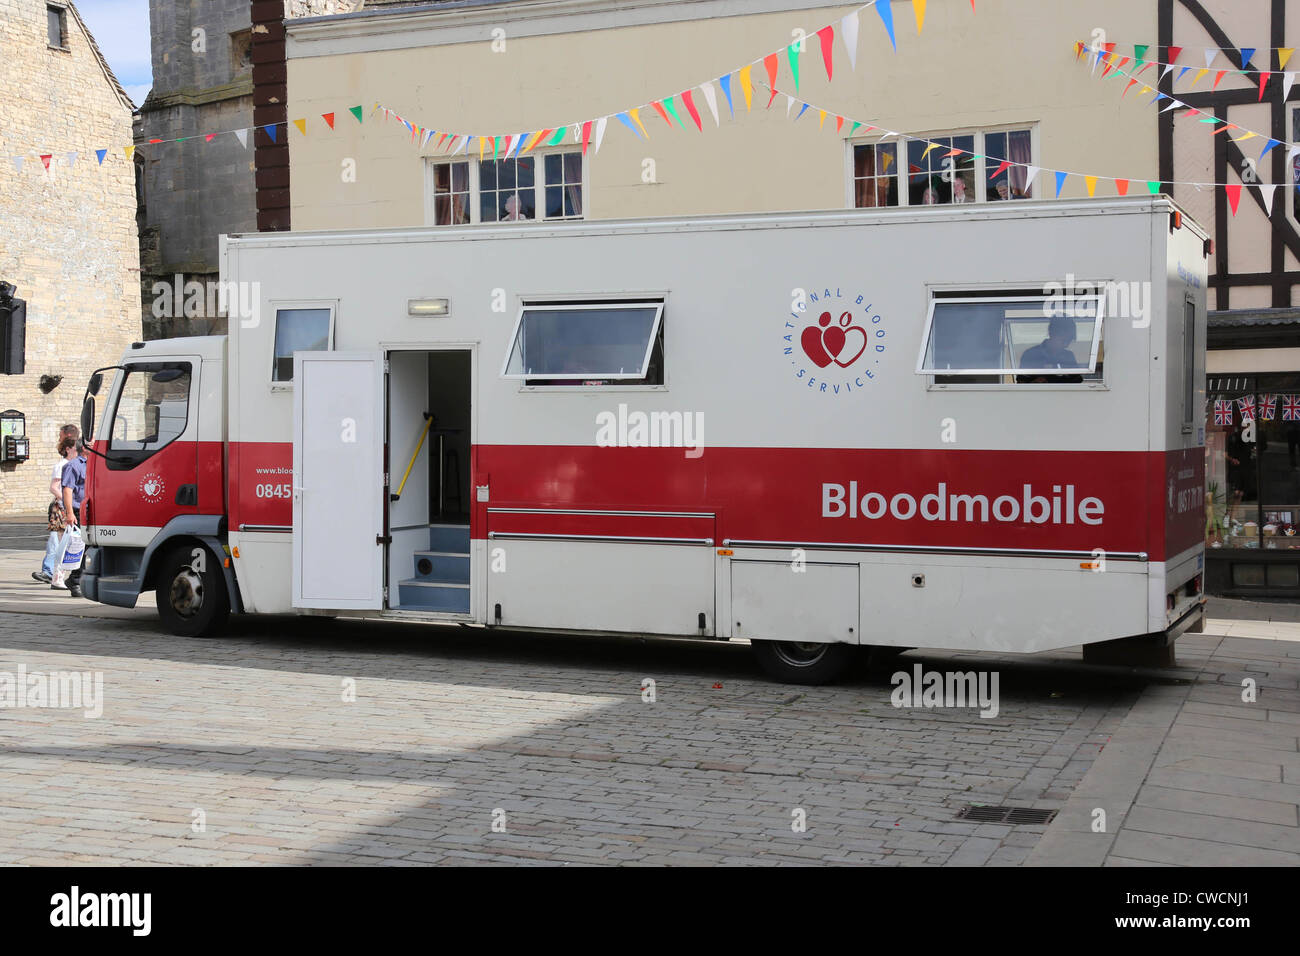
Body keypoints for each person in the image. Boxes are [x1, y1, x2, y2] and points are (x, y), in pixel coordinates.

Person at [32, 435, 78, 584]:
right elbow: (54, 487)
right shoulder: (63, 465)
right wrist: (67, 502)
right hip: (61, 508)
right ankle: (52, 573)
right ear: (68, 449)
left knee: (62, 542)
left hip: (66, 506)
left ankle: (53, 573)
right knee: (59, 542)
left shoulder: (72, 464)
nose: (77, 451)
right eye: (74, 448)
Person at [58, 438, 88, 597]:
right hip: (77, 511)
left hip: (90, 511)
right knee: (80, 547)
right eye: (93, 444)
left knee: (88, 547)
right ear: (84, 447)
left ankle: (79, 578)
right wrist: (69, 513)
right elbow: (67, 491)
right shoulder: (73, 465)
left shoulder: (93, 464)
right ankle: (75, 580)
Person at [1018, 315, 1083, 384]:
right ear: (1051, 333)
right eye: (1063, 340)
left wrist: (1056, 379)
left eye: (1069, 341)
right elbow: (1021, 381)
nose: (1066, 345)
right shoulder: (1030, 355)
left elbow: (1077, 381)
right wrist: (1035, 382)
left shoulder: (1068, 356)